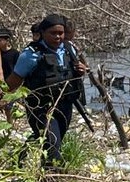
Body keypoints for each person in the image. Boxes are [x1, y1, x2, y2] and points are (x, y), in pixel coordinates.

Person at [7, 14, 87, 166]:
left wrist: (82, 71)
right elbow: (12, 82)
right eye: (53, 33)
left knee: (54, 143)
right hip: (41, 108)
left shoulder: (70, 50)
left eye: (60, 33)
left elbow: (73, 75)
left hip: (64, 107)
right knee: (52, 143)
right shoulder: (31, 55)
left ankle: (40, 176)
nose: (58, 37)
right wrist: (2, 101)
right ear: (43, 33)